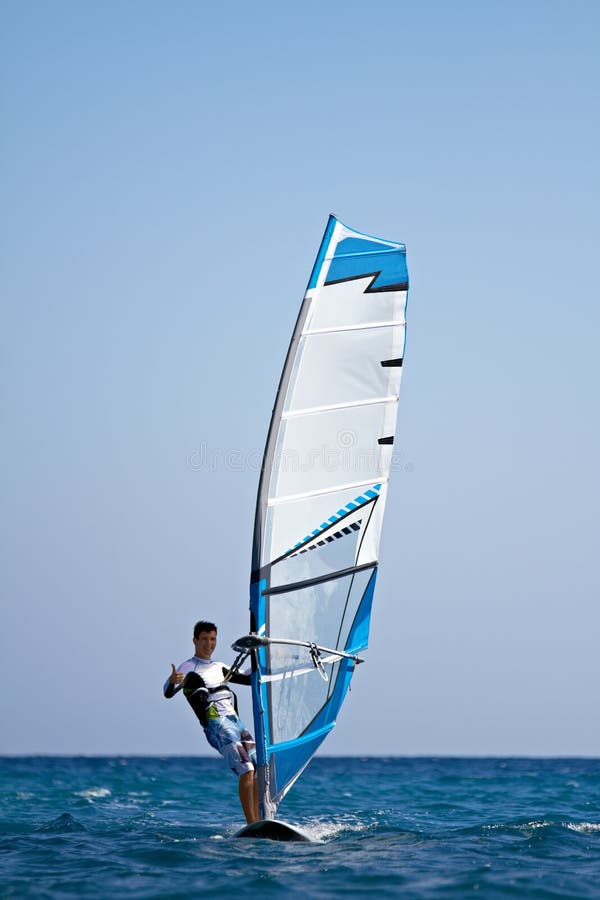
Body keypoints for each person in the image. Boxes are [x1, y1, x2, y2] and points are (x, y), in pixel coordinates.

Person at [163, 620, 259, 824]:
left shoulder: (219, 667)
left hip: (236, 722)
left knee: (260, 767)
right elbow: (168, 692)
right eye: (204, 639)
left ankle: (259, 821)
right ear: (195, 641)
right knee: (247, 769)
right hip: (217, 724)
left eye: (213, 639)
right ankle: (251, 823)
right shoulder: (188, 667)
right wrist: (171, 681)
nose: (209, 643)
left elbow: (249, 679)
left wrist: (258, 654)